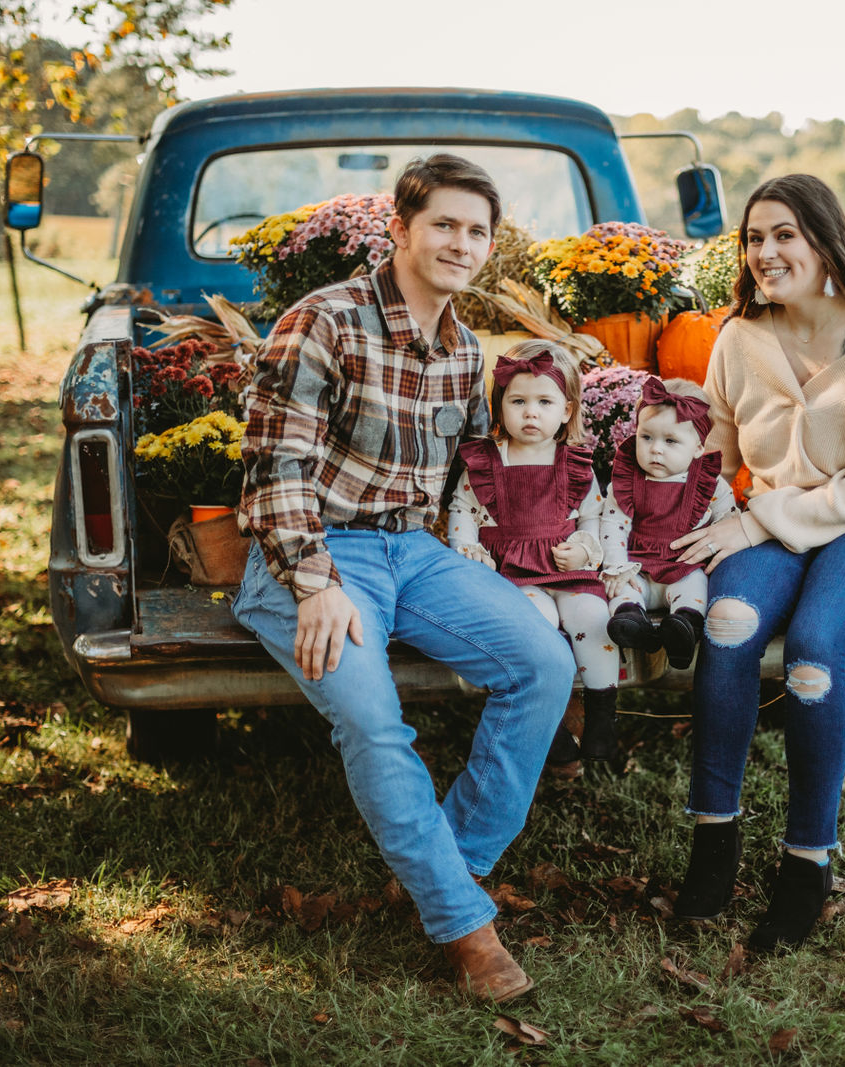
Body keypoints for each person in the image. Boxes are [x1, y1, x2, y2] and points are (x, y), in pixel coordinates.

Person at [232, 154, 574, 1002]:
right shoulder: (326, 320)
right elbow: (273, 464)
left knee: (545, 663)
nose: (462, 243)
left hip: (413, 551)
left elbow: (467, 476)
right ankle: (465, 927)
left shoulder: (463, 350)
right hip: (316, 550)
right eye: (444, 225)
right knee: (374, 720)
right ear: (400, 231)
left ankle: (447, 864)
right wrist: (313, 582)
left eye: (477, 231)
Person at [667, 174, 845, 954]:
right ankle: (713, 839)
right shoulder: (740, 337)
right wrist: (669, 511)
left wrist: (755, 521)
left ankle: (806, 863)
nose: (766, 252)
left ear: (825, 241)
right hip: (780, 517)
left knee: (816, 653)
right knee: (728, 624)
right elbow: (719, 448)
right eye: (754, 238)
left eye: (784, 234)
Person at [446, 341, 620, 764]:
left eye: (544, 402)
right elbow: (462, 510)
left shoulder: (574, 464)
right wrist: (468, 549)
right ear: (499, 406)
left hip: (567, 568)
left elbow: (592, 517)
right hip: (511, 573)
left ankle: (603, 715)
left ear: (566, 410)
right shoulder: (486, 463)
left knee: (592, 617)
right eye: (518, 401)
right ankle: (548, 721)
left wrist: (584, 549)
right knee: (534, 626)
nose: (530, 413)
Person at [601, 376, 739, 671]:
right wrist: (617, 566)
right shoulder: (626, 481)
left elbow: (727, 524)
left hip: (682, 568)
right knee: (620, 591)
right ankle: (632, 622)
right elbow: (613, 525)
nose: (655, 449)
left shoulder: (709, 485)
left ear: (698, 448)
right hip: (636, 569)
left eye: (670, 441)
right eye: (646, 437)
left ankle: (683, 627)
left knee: (695, 588)